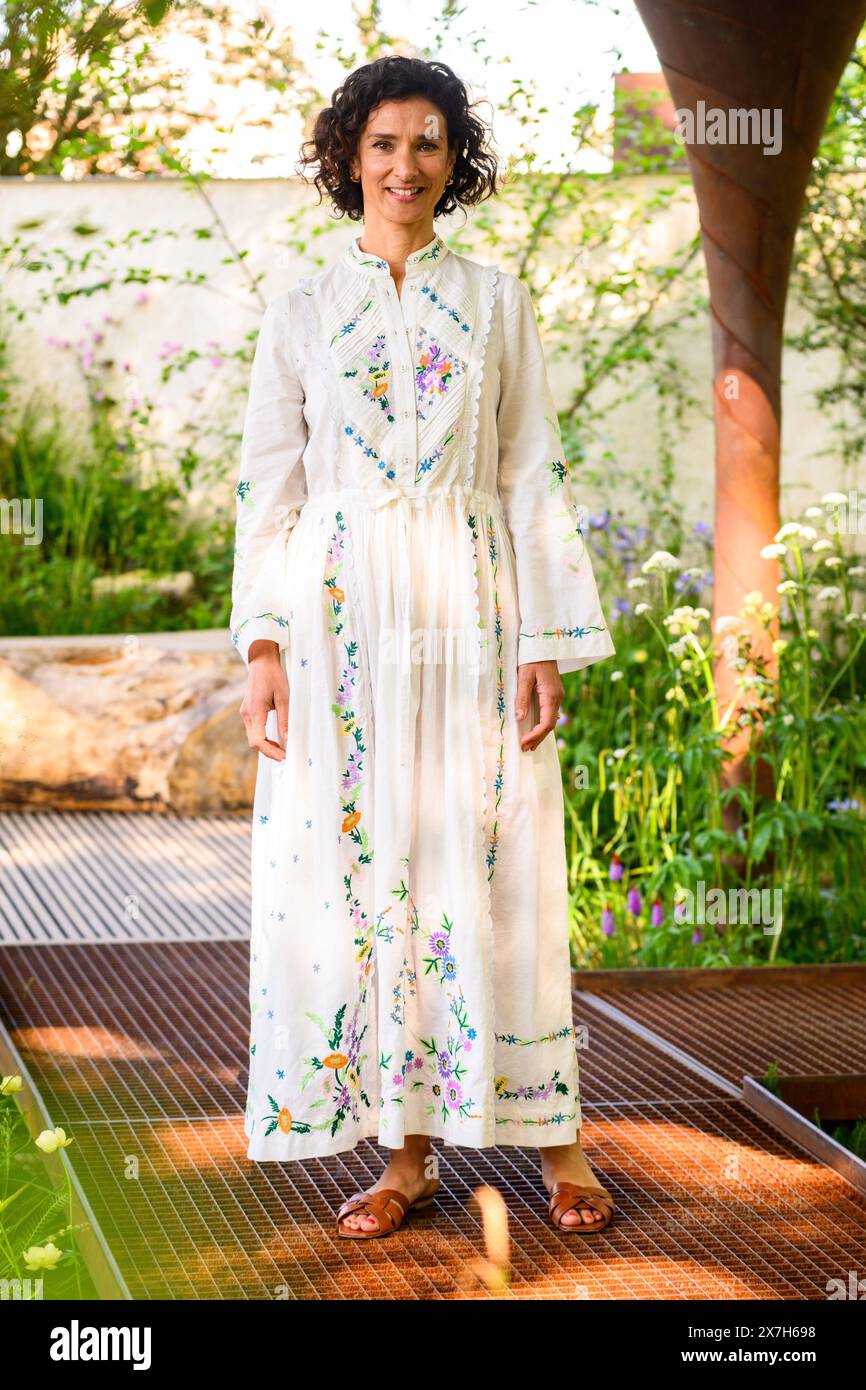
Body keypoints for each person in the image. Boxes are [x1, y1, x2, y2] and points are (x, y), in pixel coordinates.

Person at [229, 54, 617, 1240]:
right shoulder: (299, 304)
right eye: (384, 143)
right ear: (350, 155)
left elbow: (527, 468)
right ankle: (402, 1157)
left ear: (456, 161)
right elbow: (269, 482)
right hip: (340, 613)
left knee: (495, 858)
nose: (405, 165)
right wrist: (263, 647)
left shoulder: (497, 300)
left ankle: (554, 1134)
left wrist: (542, 637)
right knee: (363, 865)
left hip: (470, 602)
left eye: (429, 144)